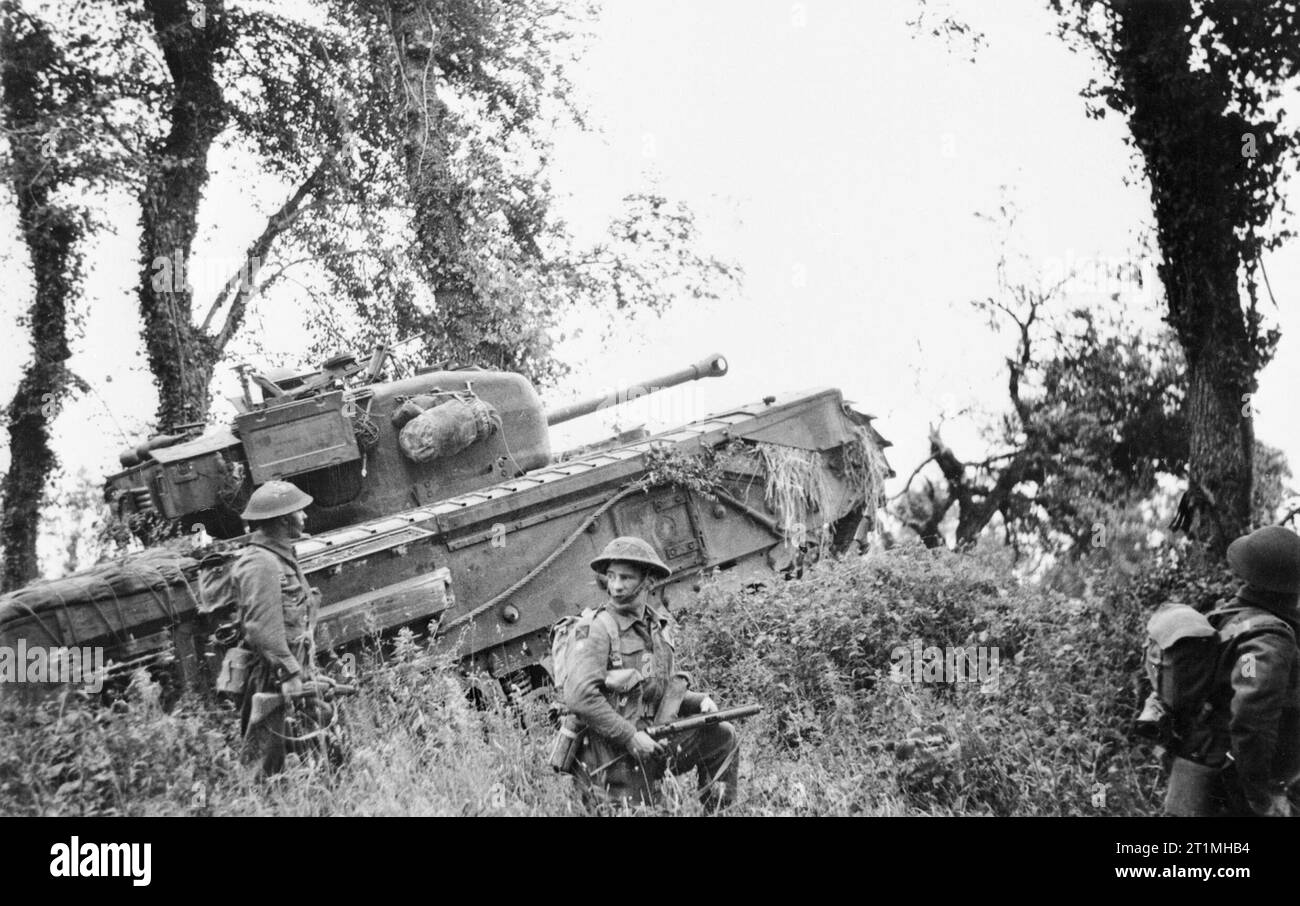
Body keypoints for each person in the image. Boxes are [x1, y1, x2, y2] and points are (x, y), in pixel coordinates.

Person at [563, 535, 740, 811]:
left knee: (722, 736)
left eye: (626, 578)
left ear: (649, 581)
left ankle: (716, 810)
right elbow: (579, 697)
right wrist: (630, 737)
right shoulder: (596, 628)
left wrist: (697, 701)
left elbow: (657, 686)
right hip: (610, 752)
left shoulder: (657, 627)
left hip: (654, 737)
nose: (616, 586)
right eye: (611, 577)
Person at [1166, 524, 1300, 816]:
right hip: (1229, 786)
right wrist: (1262, 799)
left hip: (1197, 764)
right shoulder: (1268, 638)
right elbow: (1251, 721)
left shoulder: (1227, 617)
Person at [232, 480, 320, 777]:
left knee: (309, 749)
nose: (304, 517)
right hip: (273, 678)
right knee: (264, 769)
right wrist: (289, 672)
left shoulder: (281, 557)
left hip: (294, 672)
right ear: (284, 520)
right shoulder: (261, 563)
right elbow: (260, 627)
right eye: (299, 512)